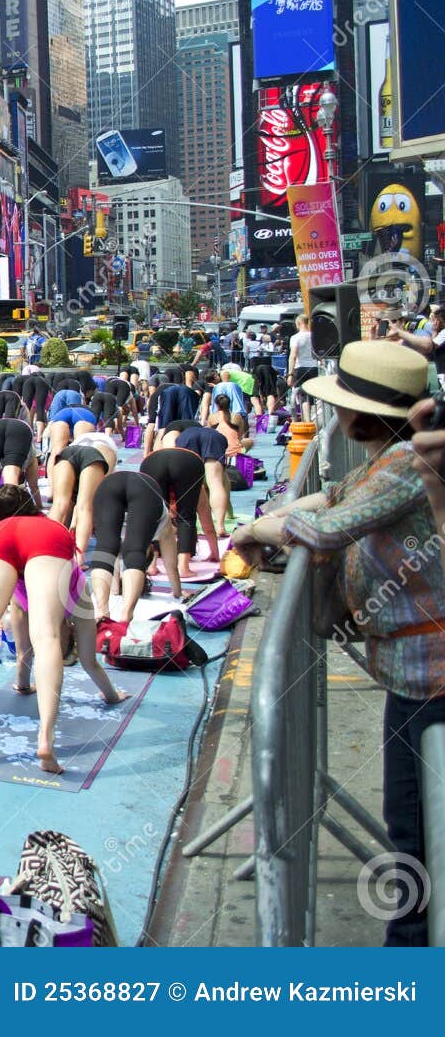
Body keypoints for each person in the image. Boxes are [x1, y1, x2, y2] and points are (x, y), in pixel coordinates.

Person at [239, 343, 444, 945]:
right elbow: (328, 499)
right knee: (413, 827)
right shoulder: (386, 462)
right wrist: (273, 516)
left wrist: (254, 529)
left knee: (416, 837)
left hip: (431, 680)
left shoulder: (408, 466)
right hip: (413, 679)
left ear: (356, 418)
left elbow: (325, 528)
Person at [0, 489, 127, 775]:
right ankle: (45, 741)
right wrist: (112, 695)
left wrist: (23, 684)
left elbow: (22, 649)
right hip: (48, 540)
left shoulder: (5, 542)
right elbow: (89, 661)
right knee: (47, 636)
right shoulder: (80, 596)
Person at [86, 471, 182, 623]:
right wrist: (178, 592)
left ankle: (101, 611)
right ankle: (126, 614)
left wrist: (116, 590)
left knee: (105, 548)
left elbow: (115, 581)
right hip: (145, 488)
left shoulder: (159, 529)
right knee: (133, 551)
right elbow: (172, 567)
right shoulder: (163, 530)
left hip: (111, 483)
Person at [139, 445, 220, 581]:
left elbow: (144, 523)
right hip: (188, 462)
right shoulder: (197, 492)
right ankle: (183, 567)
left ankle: (152, 565)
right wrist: (215, 553)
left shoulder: (194, 492)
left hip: (152, 462)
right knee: (187, 517)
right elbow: (208, 526)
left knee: (155, 518)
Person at [47, 432, 118, 555]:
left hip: (69, 451)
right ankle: (78, 557)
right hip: (98, 453)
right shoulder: (108, 454)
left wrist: (73, 524)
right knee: (85, 507)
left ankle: (45, 548)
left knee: (59, 504)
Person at [287, 314, 317, 418]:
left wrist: (290, 374)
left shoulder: (295, 337)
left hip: (301, 368)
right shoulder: (315, 336)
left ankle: (307, 420)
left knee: (304, 396)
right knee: (315, 395)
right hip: (315, 367)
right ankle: (316, 419)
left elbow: (293, 355)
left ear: (298, 323)